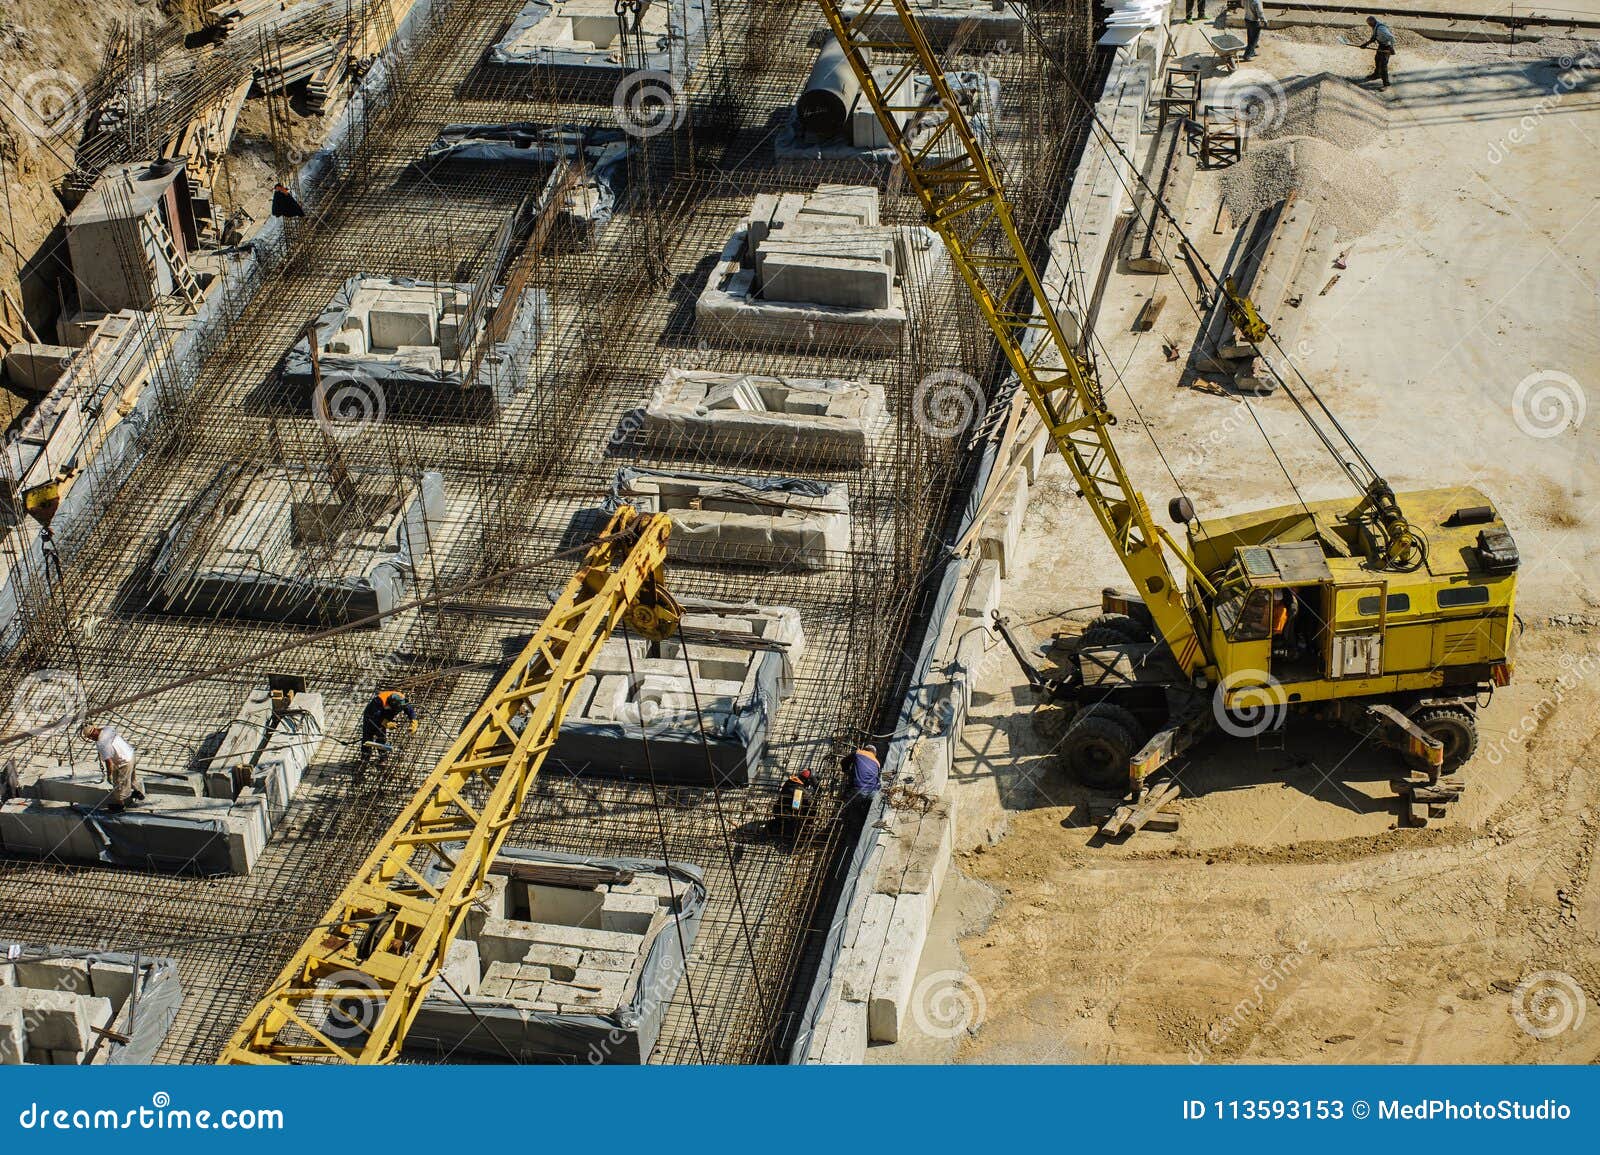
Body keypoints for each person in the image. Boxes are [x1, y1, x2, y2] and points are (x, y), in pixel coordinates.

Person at [81, 723, 142, 811]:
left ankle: (120, 806)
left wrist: (109, 775)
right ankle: (138, 793)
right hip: (130, 754)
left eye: (90, 737)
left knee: (119, 784)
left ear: (93, 734)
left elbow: (109, 762)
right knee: (132, 777)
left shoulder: (102, 744)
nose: (91, 739)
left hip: (124, 762)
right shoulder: (107, 729)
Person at [360, 690, 416, 769]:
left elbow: (409, 709)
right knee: (367, 736)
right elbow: (375, 715)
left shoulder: (401, 699)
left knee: (381, 737)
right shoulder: (378, 701)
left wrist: (414, 720)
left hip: (386, 714)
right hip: (371, 716)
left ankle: (383, 759)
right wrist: (386, 723)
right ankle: (365, 758)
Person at [772, 769, 818, 842]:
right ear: (807, 781)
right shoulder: (798, 790)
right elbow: (801, 805)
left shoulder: (791, 782)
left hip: (779, 809)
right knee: (798, 823)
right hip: (786, 814)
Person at [1358, 16, 1396, 88]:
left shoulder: (1381, 29)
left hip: (1386, 47)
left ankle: (1386, 84)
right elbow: (1374, 38)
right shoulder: (1375, 26)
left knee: (1383, 66)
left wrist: (1391, 48)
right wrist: (1365, 44)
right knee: (1377, 59)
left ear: (1372, 22)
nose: (1369, 25)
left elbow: (1391, 37)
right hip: (1381, 45)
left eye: (1369, 24)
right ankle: (1377, 74)